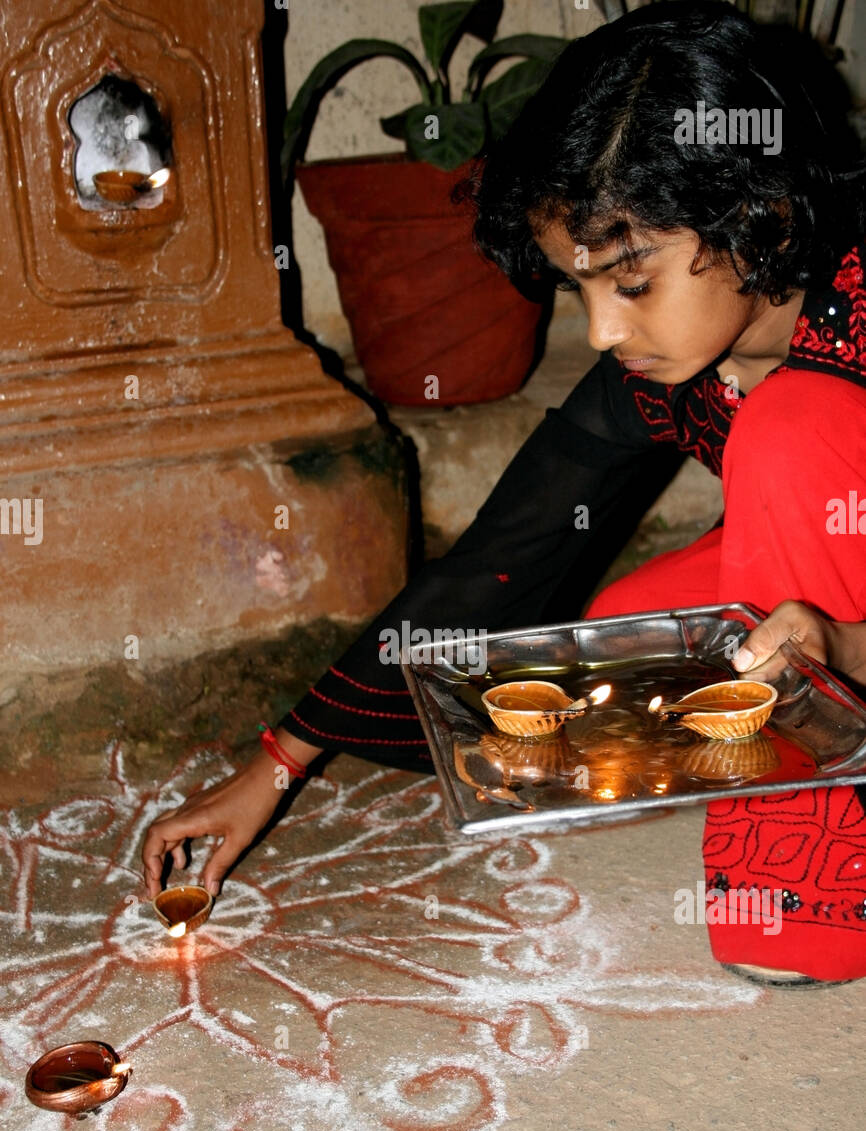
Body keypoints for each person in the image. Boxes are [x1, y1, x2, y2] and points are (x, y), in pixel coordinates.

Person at [142, 2, 866, 983]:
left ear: (758, 220)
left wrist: (839, 650)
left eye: (630, 279)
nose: (603, 331)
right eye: (580, 288)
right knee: (604, 659)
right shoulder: (671, 361)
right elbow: (505, 546)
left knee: (783, 446)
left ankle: (819, 875)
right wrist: (277, 762)